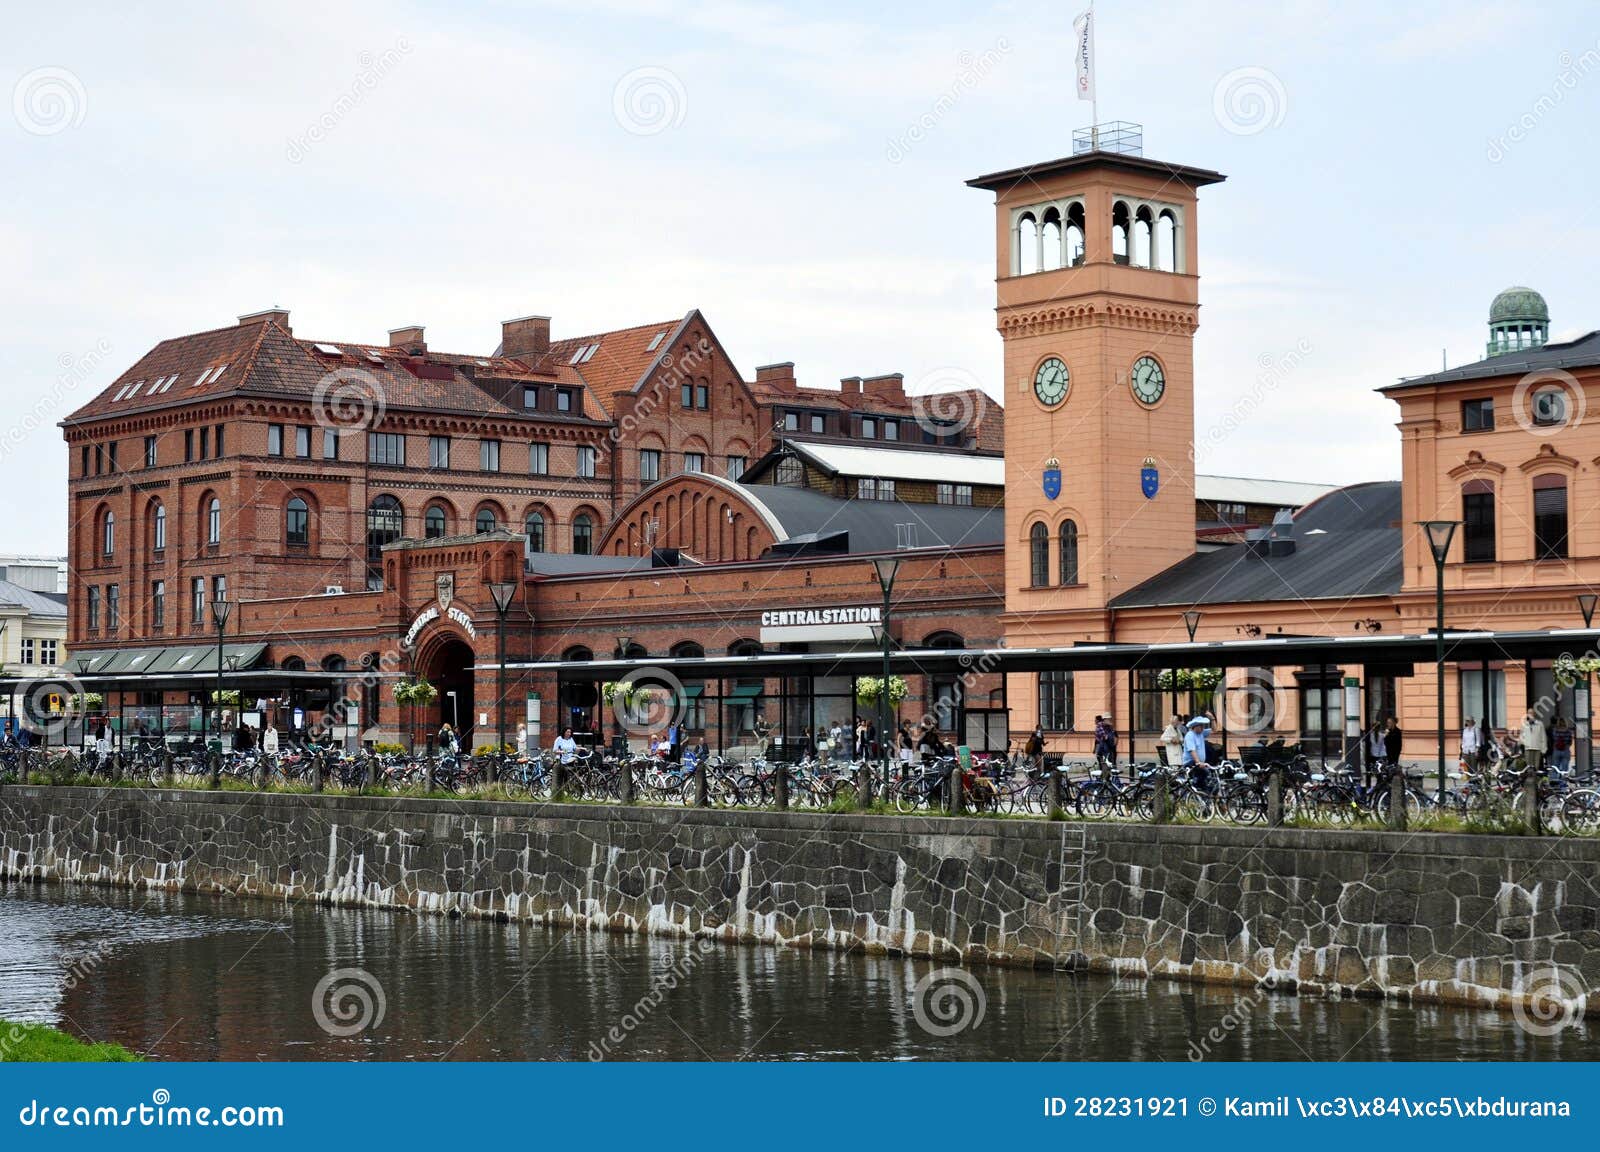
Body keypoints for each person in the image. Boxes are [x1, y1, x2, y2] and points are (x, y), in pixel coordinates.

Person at [1181, 716, 1210, 789]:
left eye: (1203, 726)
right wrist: (1198, 762)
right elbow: (1192, 750)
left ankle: (1201, 792)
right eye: (1201, 726)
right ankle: (1195, 792)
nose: (1202, 728)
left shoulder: (1201, 733)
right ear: (1195, 726)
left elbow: (1214, 730)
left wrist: (1212, 719)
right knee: (1203, 774)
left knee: (1206, 777)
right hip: (1190, 763)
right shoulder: (1190, 735)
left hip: (1200, 763)